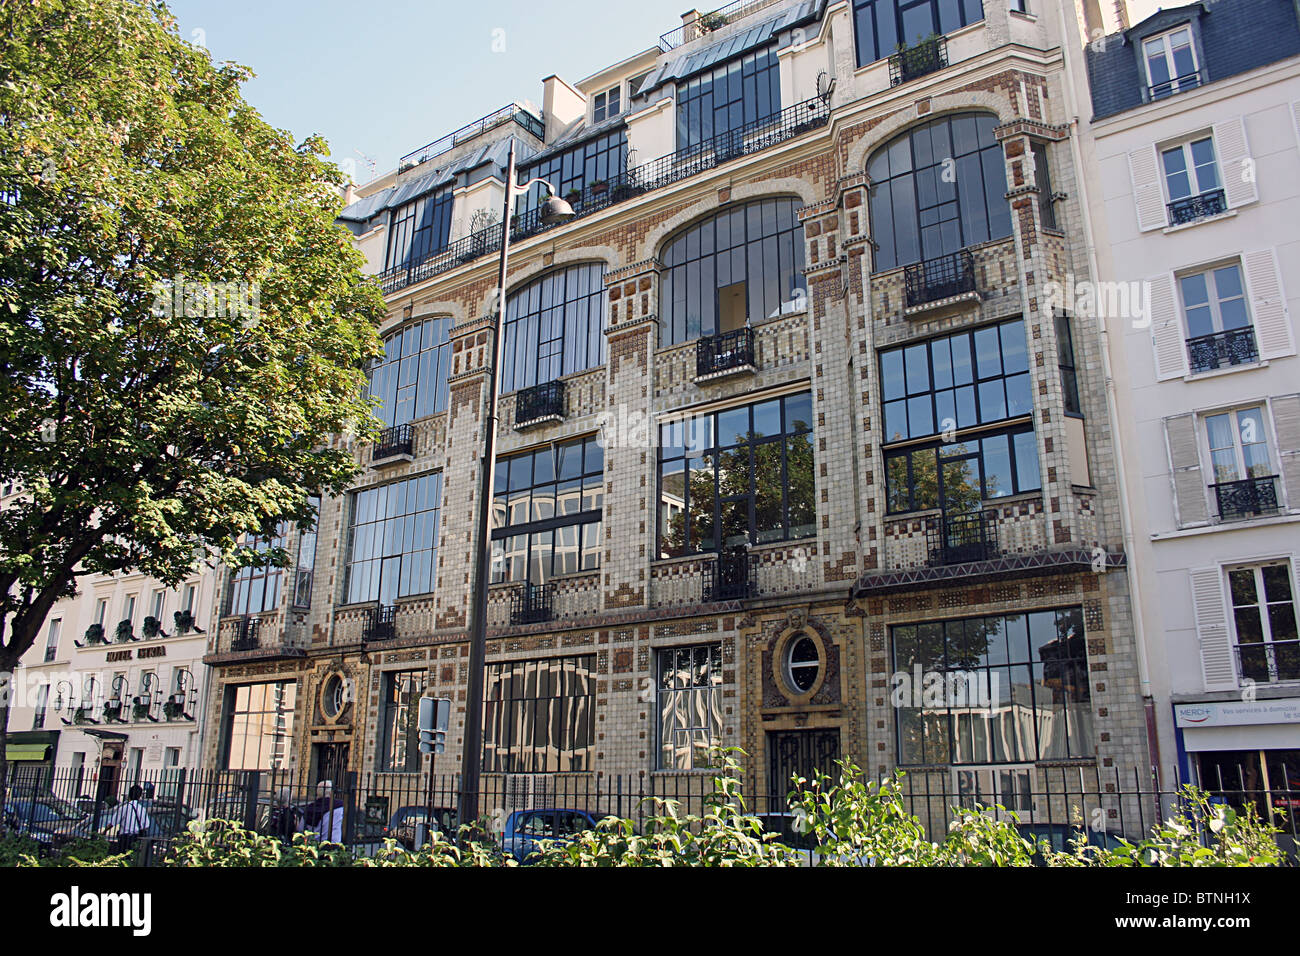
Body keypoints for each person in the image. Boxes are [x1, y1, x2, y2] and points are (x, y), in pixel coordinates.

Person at [101, 784, 152, 853]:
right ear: (140, 796)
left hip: (124, 838)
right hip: (136, 838)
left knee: (122, 856)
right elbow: (146, 825)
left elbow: (113, 823)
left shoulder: (124, 808)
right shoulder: (142, 809)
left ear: (129, 795)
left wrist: (104, 831)